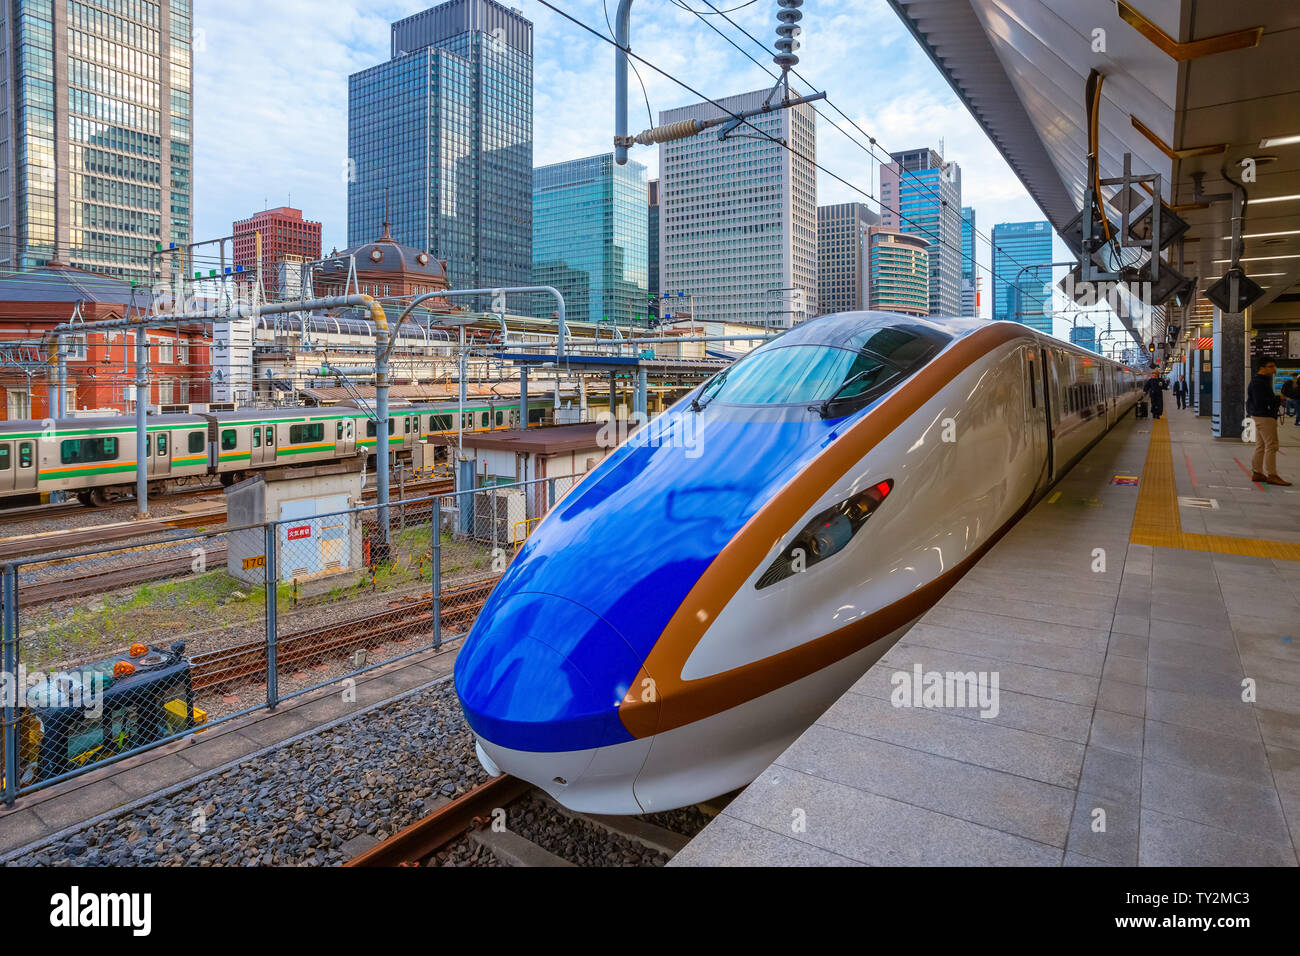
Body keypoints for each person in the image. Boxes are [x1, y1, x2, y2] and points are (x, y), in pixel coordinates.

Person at [1247, 359, 1291, 486]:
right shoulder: (1259, 382)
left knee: (1260, 445)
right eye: (1271, 366)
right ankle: (1272, 474)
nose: (1274, 369)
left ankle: (1257, 472)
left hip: (1259, 415)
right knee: (1271, 446)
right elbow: (1262, 401)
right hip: (1264, 417)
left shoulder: (1259, 381)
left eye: (1274, 366)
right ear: (1262, 368)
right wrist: (1278, 399)